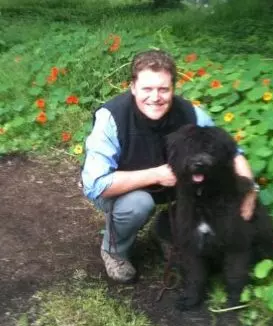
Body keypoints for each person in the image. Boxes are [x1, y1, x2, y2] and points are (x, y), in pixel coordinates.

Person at [81, 50, 259, 283]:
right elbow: (95, 185)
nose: (155, 97)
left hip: (172, 186)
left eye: (163, 89)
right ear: (132, 87)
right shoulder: (112, 117)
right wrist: (157, 175)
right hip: (121, 190)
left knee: (210, 180)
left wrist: (250, 191)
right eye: (147, 89)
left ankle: (165, 231)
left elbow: (233, 153)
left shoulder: (190, 113)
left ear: (173, 88)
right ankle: (114, 250)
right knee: (138, 204)